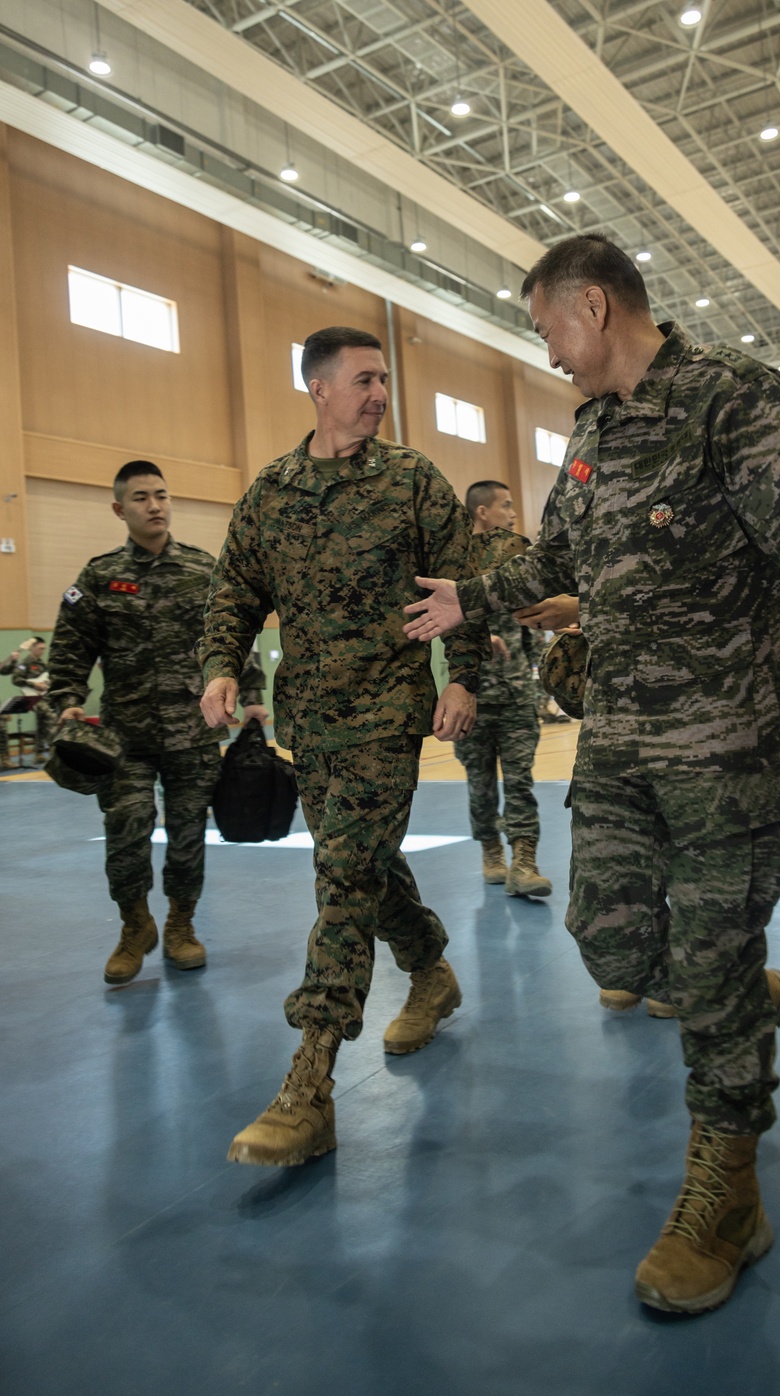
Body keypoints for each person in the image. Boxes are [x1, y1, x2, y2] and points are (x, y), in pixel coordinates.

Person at [403, 233, 780, 1315]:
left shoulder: (729, 396)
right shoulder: (588, 433)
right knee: (610, 939)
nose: (549, 354)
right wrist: (471, 596)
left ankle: (729, 1193)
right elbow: (552, 563)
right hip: (620, 739)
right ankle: (732, 994)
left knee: (711, 961)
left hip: (720, 742)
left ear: (593, 306)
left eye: (548, 329)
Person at [199, 325, 490, 1169]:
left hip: (389, 715)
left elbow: (460, 587)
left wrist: (461, 676)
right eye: (363, 379)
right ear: (318, 388)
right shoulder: (272, 491)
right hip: (309, 724)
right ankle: (429, 968)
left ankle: (312, 1080)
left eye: (383, 380)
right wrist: (223, 665)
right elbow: (235, 591)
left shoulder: (411, 481)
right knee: (359, 863)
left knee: (344, 877)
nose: (378, 394)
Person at [46, 459, 267, 985]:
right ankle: (133, 924)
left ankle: (181, 926)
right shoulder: (100, 576)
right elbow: (71, 648)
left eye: (162, 495)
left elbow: (232, 634)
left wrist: (253, 694)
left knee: (188, 835)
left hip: (193, 734)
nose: (155, 505)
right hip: (125, 739)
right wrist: (68, 700)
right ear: (120, 509)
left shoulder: (200, 569)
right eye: (142, 497)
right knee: (126, 831)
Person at [455, 481, 552, 896]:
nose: (513, 513)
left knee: (520, 783)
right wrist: (478, 641)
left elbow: (533, 620)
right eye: (506, 505)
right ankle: (492, 852)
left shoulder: (519, 558)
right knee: (480, 786)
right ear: (481, 511)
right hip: (471, 698)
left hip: (515, 697)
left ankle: (524, 861)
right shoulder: (456, 561)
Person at [3, 637, 56, 763]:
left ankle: (39, 753)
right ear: (32, 648)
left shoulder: (43, 664)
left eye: (44, 649)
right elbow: (16, 679)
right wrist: (34, 685)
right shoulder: (24, 663)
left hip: (43, 696)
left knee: (42, 724)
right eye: (39, 648)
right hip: (31, 696)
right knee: (51, 717)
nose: (42, 651)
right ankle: (54, 751)